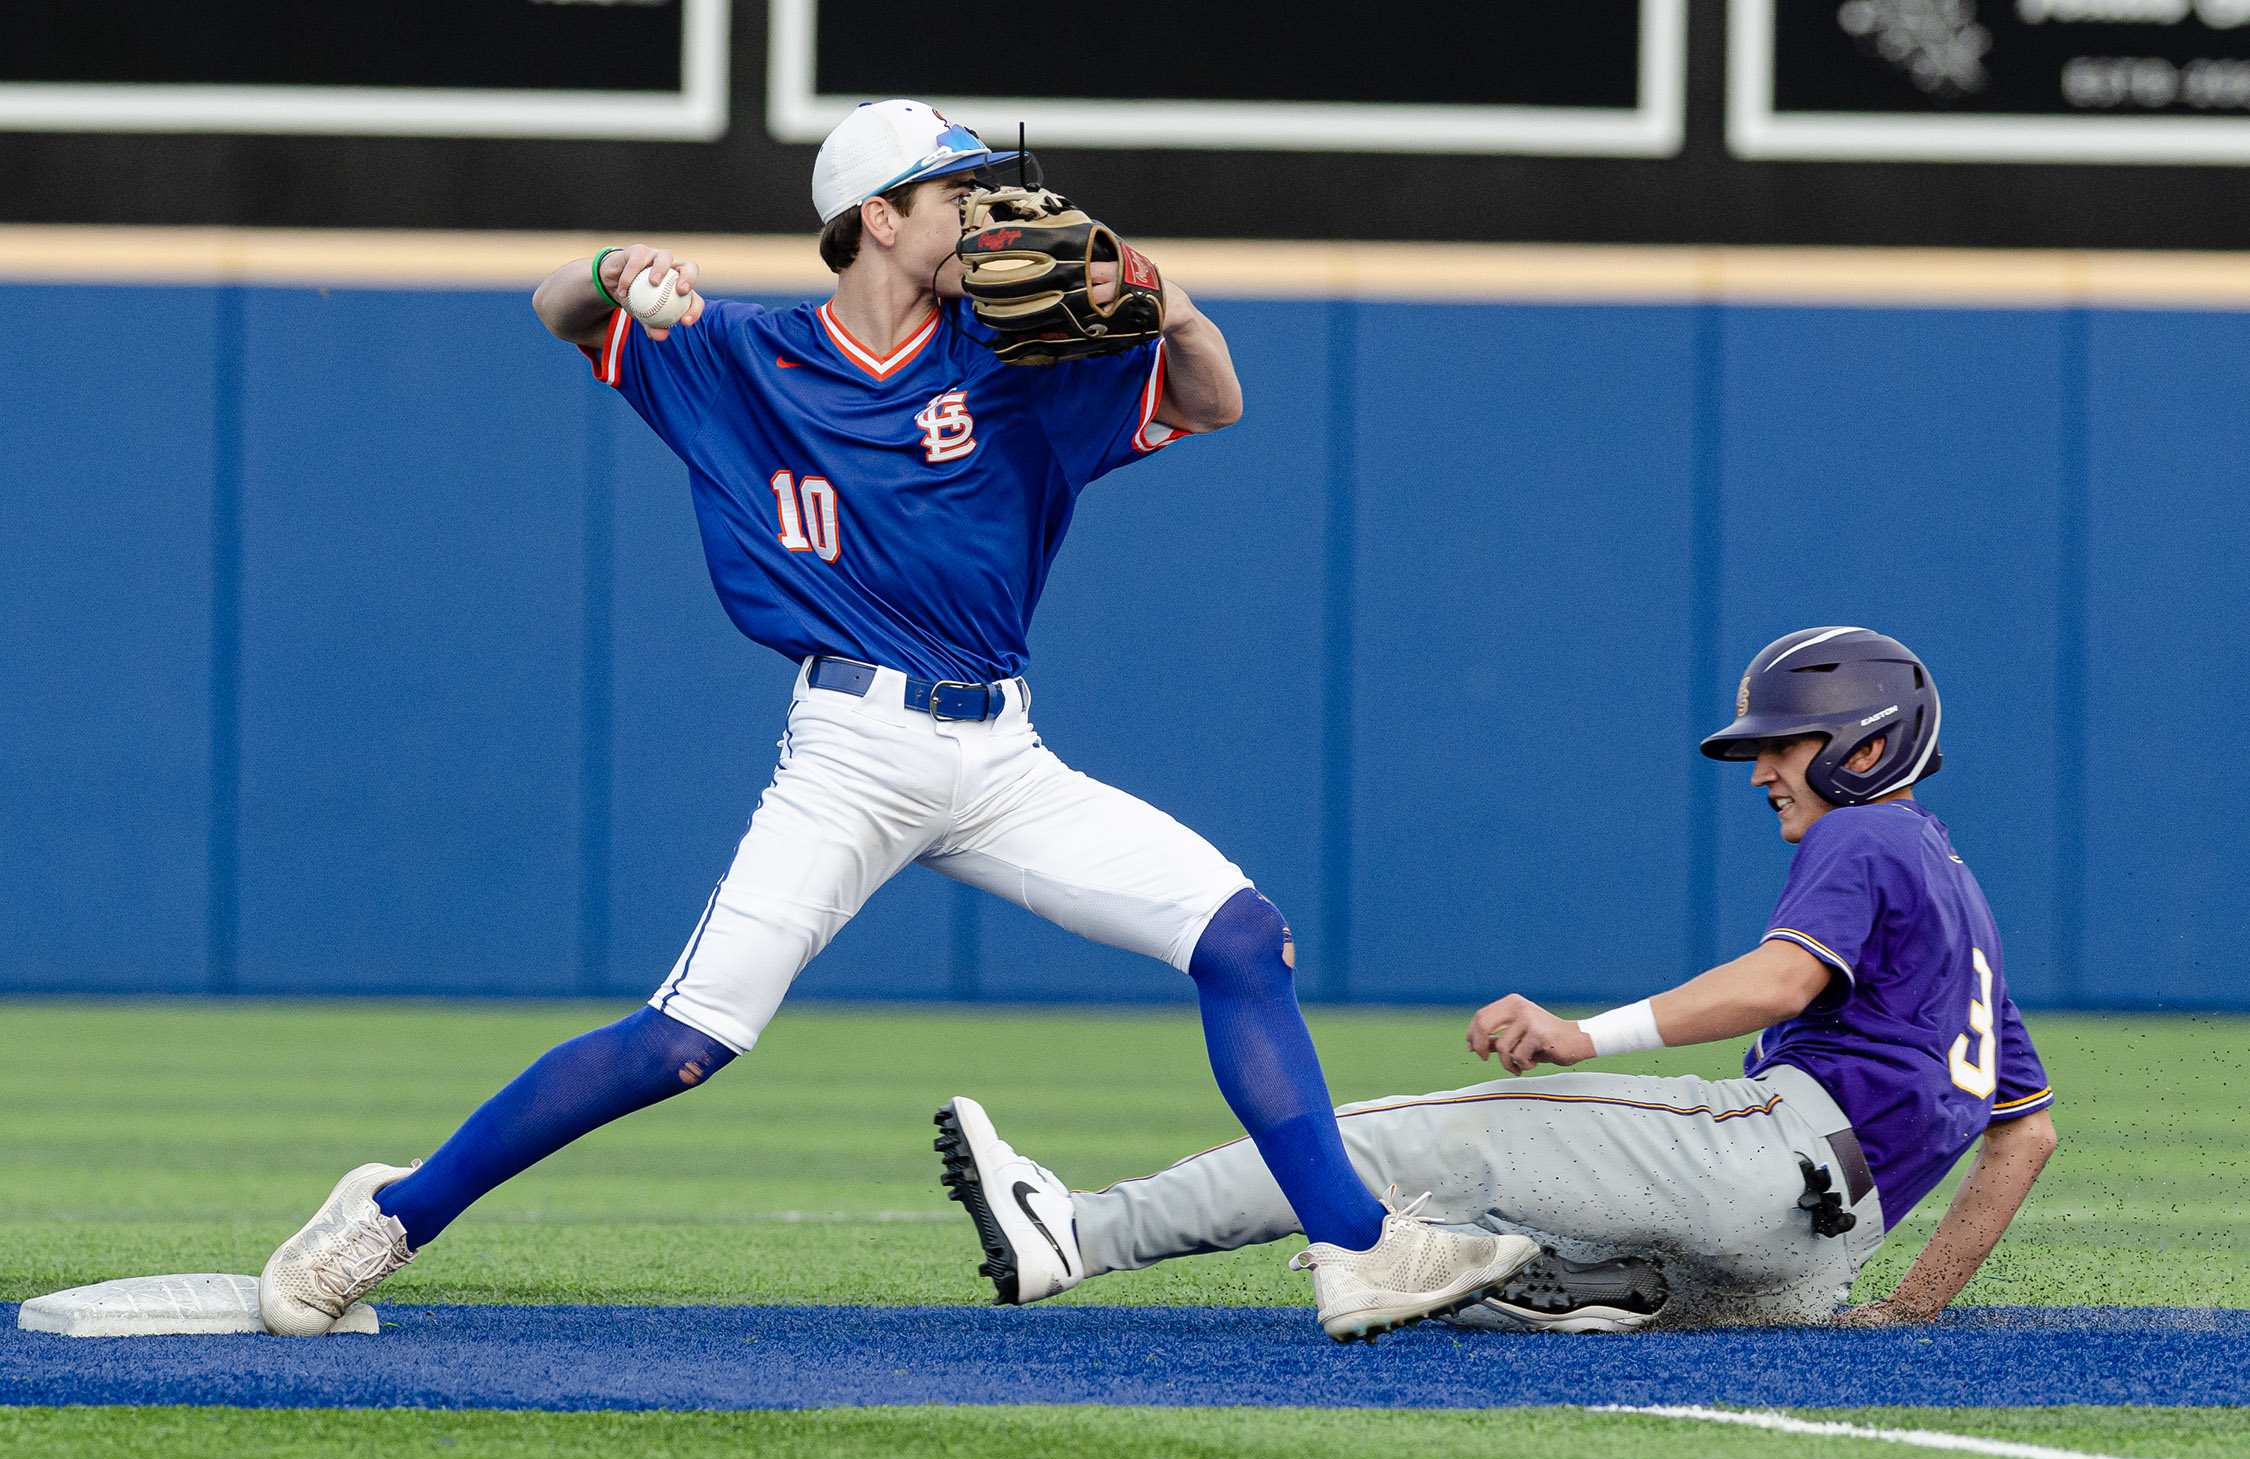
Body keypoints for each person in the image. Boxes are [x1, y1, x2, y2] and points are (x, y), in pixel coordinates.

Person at [255, 100, 1525, 1344]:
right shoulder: (740, 353)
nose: (987, 213)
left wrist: (1170, 299)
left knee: (1242, 936)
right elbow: (559, 310)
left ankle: (1358, 1251)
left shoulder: (1018, 359)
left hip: (1004, 757)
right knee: (687, 1042)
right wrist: (610, 266)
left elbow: (1212, 399)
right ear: (877, 217)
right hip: (852, 749)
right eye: (955, 194)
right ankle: (390, 1214)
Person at [937, 628, 2059, 1330]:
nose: (1764, 765)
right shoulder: (1967, 910)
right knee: (1458, 1242)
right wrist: (1913, 1306)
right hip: (1808, 1261)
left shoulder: (1863, 839)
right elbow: (2025, 1134)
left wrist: (1583, 1034)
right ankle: (1591, 1283)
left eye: (1790, 739)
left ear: (1866, 746)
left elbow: (1776, 983)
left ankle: (1076, 1231)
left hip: (1769, 1149)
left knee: (1378, 1143)